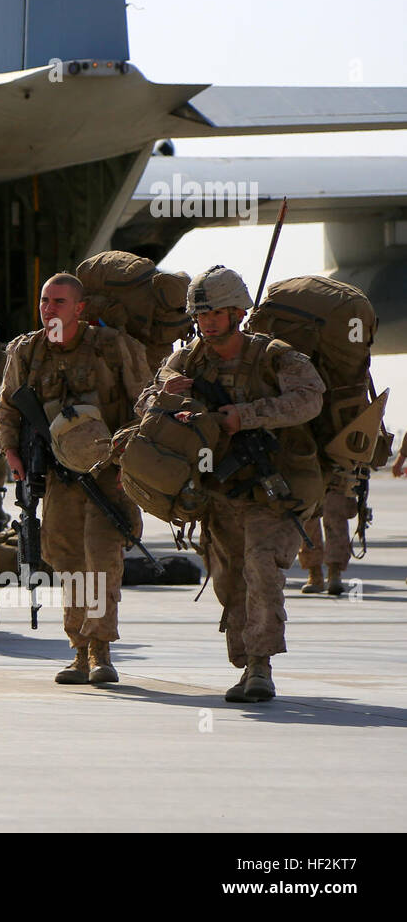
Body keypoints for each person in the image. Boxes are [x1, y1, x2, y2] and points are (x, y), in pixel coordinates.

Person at [136, 265, 324, 703]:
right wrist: (168, 397)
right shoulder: (186, 360)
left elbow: (311, 398)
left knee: (261, 570)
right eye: (201, 316)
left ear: (239, 311)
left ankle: (261, 665)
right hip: (217, 490)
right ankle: (243, 662)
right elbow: (145, 399)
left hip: (271, 485)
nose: (208, 323)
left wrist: (248, 416)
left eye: (217, 313)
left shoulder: (275, 356)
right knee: (228, 579)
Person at [0, 273, 151, 684]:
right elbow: (7, 407)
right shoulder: (27, 352)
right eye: (45, 300)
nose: (49, 308)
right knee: (67, 561)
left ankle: (101, 650)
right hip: (59, 476)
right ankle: (78, 651)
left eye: (59, 301)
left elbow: (145, 404)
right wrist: (11, 452)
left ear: (80, 309)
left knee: (100, 561)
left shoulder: (112, 347)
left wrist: (130, 460)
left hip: (108, 474)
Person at [296, 484, 357, 596]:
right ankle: (315, 574)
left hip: (336, 473)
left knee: (335, 516)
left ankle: (334, 573)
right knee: (308, 518)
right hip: (311, 473)